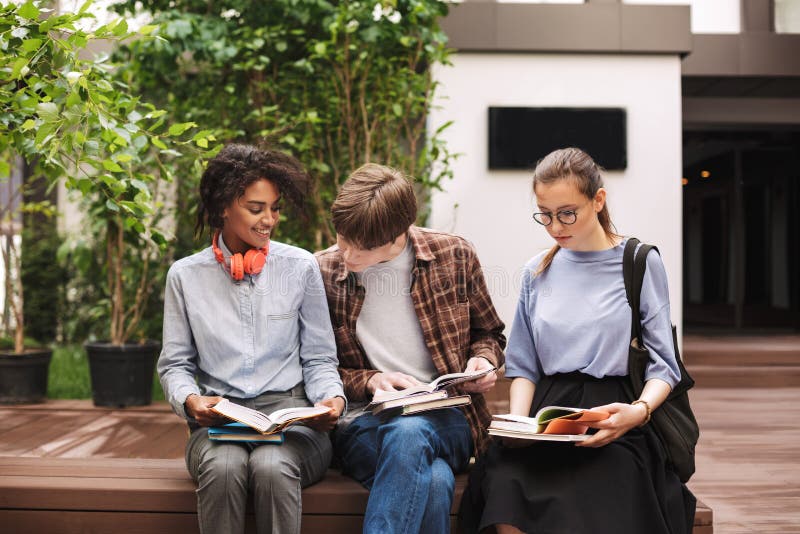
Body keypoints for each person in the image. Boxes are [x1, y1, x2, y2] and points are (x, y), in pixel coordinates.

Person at [459, 147, 696, 534]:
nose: (555, 227)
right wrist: (519, 425)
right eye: (545, 215)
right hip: (547, 414)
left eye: (567, 213)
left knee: (604, 488)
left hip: (616, 413)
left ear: (597, 200)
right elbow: (524, 364)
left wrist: (637, 412)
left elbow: (664, 364)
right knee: (506, 488)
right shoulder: (536, 271)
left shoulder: (638, 261)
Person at [158, 144, 346, 534]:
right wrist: (190, 401)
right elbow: (176, 365)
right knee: (225, 467)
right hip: (218, 423)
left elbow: (319, 358)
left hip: (291, 420)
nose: (269, 220)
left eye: (275, 208)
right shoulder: (185, 276)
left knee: (272, 466)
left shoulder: (300, 267)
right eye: (256, 208)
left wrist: (333, 399)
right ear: (225, 206)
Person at [314, 163, 506, 534]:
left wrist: (482, 360)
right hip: (365, 423)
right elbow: (317, 367)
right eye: (342, 237)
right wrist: (371, 381)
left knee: (410, 433)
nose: (348, 254)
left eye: (363, 246)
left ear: (398, 234)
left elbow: (490, 333)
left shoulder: (454, 255)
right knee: (433, 482)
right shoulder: (322, 272)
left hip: (450, 419)